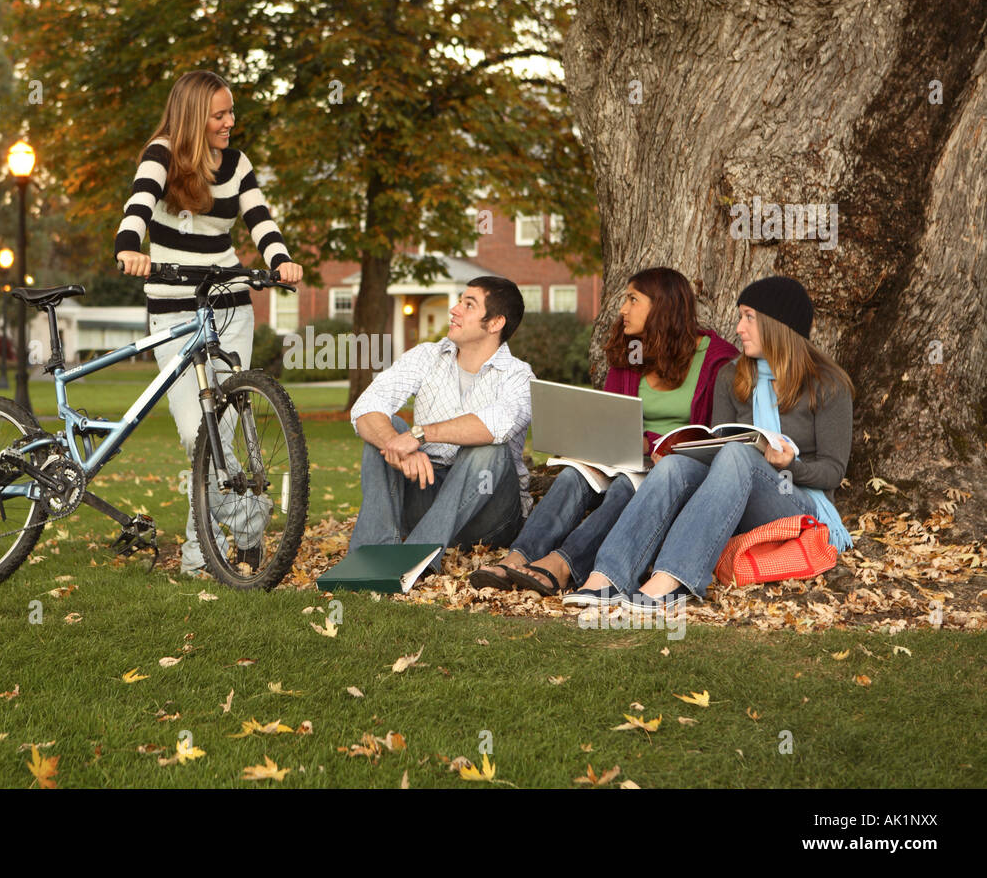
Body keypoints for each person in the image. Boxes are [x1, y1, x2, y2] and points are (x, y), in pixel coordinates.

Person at [114, 69, 304, 577]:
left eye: (232, 112)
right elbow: (138, 204)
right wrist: (128, 247)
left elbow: (260, 218)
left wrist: (281, 259)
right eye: (220, 114)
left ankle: (204, 553)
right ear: (196, 115)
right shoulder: (162, 153)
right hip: (173, 307)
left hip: (228, 302)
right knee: (194, 431)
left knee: (221, 424)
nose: (230, 122)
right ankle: (248, 522)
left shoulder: (237, 163)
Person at [571, 275, 854, 611]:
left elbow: (834, 472)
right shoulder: (733, 376)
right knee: (678, 465)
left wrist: (790, 464)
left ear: (778, 325)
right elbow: (718, 444)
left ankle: (673, 578)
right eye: (741, 317)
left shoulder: (827, 384)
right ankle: (610, 576)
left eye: (749, 317)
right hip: (734, 501)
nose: (738, 328)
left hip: (795, 504)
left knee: (737, 453)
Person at [469, 267, 738, 597]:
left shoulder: (715, 359)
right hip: (622, 454)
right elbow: (612, 413)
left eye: (632, 300)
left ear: (663, 306)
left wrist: (651, 443)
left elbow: (715, 433)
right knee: (572, 475)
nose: (623, 309)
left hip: (672, 467)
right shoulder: (631, 350)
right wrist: (586, 440)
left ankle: (561, 565)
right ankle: (517, 557)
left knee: (626, 486)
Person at [347, 276, 534, 566]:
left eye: (468, 305)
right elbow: (366, 407)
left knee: (489, 447)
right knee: (386, 429)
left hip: (488, 513)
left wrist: (420, 435)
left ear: (495, 323)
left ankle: (413, 560)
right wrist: (397, 447)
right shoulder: (426, 356)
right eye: (460, 300)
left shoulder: (519, 377)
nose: (454, 310)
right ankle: (371, 555)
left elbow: (497, 424)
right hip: (425, 488)